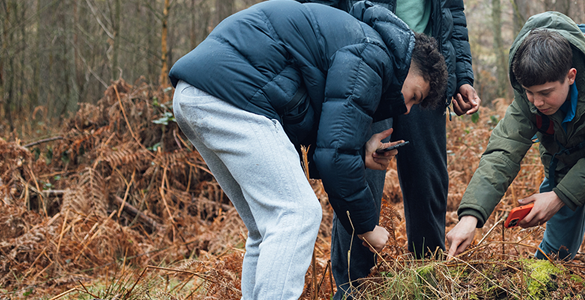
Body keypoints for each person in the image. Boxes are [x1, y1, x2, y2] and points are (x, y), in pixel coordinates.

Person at [168, 1, 447, 299]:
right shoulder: (373, 53)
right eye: (414, 96)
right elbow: (334, 155)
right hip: (231, 94)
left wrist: (359, 152)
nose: (405, 109)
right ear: (410, 65)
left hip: (197, 94)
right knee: (297, 213)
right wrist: (367, 227)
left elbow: (326, 139)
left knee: (266, 229)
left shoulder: (353, 40)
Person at [445, 11, 585, 285]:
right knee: (555, 248)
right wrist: (470, 217)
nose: (537, 102)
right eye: (530, 92)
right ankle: (545, 282)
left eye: (545, 93)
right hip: (566, 152)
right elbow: (503, 151)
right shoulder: (527, 99)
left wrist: (559, 195)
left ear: (571, 76)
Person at [302, 0, 479, 263]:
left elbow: (452, 11)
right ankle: (354, 286)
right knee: (358, 170)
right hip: (369, 59)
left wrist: (461, 75)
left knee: (427, 176)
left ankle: (427, 272)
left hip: (426, 69)